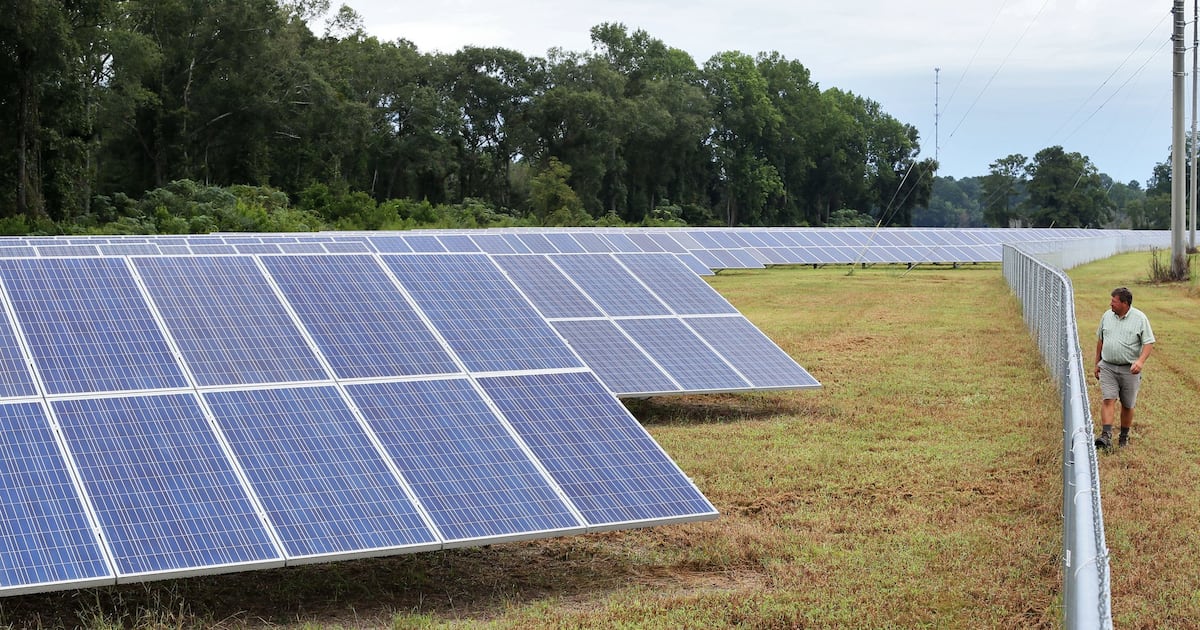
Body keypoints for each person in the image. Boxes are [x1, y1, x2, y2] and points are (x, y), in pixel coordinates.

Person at [1094, 286, 1155, 449]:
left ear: (1125, 303)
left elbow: (1148, 343)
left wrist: (1140, 361)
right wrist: (1097, 363)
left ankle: (1124, 437)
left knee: (1128, 405)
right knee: (1108, 399)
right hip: (1107, 366)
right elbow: (1100, 341)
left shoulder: (1140, 318)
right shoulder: (1107, 316)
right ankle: (1106, 436)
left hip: (1129, 370)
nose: (1110, 304)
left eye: (1114, 301)